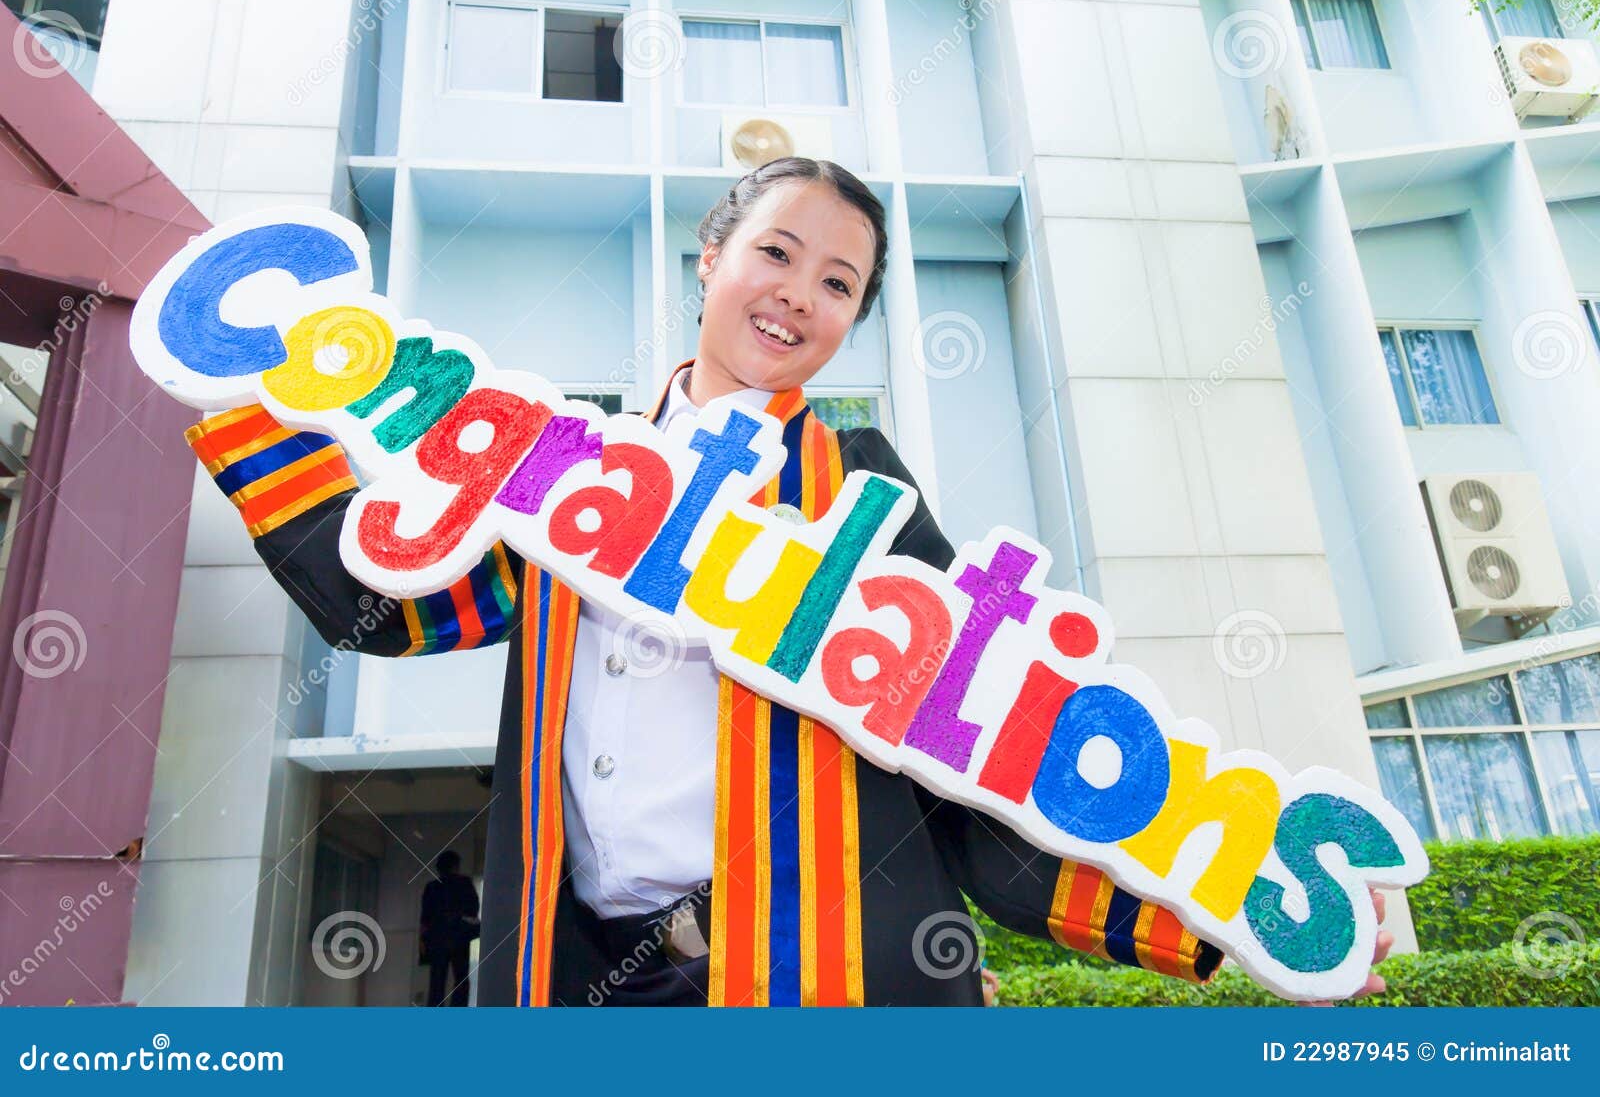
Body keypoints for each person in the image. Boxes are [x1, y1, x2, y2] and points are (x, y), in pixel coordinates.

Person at [186, 157, 1390, 1006]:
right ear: (710, 257)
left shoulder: (862, 491)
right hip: (572, 966)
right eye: (776, 251)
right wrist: (252, 406)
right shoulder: (561, 461)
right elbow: (384, 604)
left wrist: (1231, 902)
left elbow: (978, 762)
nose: (796, 295)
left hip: (814, 967)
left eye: (837, 284)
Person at [420, 850, 480, 1007]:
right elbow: (473, 909)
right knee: (461, 979)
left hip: (437, 939)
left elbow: (425, 919)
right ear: (456, 866)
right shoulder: (464, 883)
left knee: (437, 982)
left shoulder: (432, 887)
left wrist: (424, 943)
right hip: (459, 937)